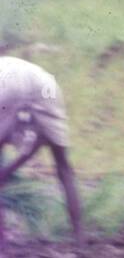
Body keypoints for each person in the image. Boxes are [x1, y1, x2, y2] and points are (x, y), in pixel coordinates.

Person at [0, 56, 83, 245]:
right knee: (63, 166)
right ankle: (80, 239)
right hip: (47, 84)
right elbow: (39, 140)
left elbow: (34, 142)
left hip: (8, 83)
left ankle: (1, 240)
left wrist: (8, 171)